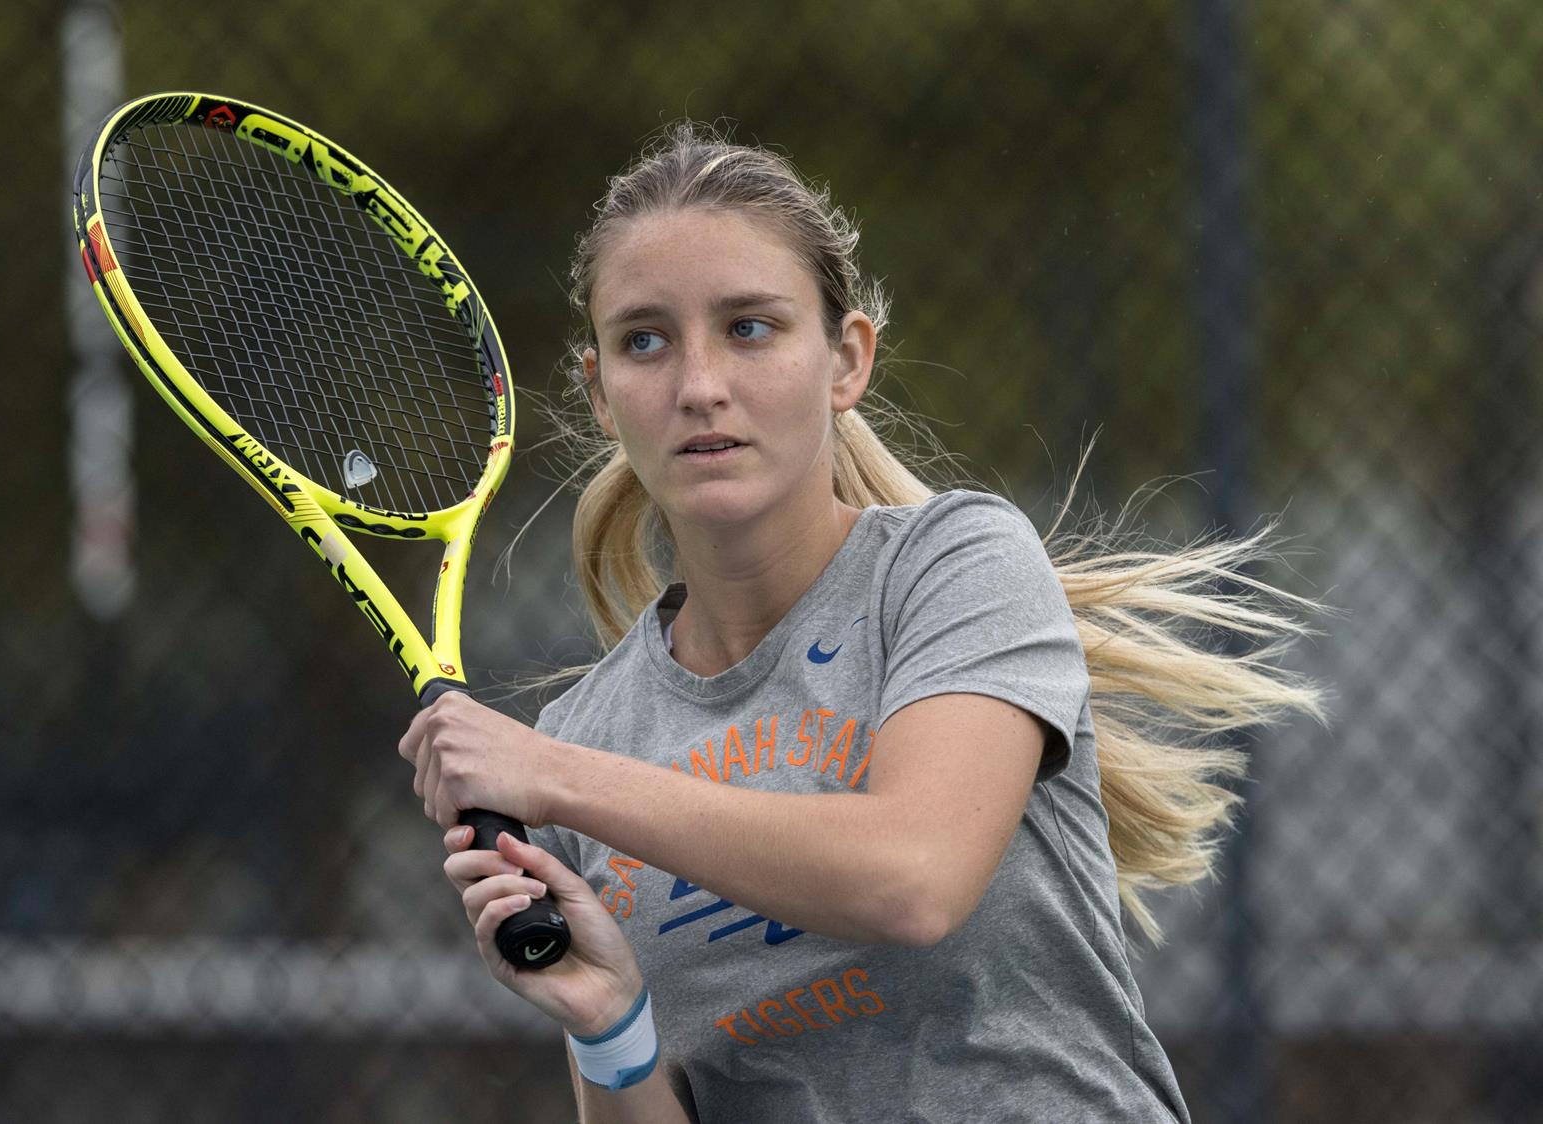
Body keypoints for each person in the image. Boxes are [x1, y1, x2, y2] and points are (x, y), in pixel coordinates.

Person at [397, 123, 1323, 1123]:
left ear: (845, 360)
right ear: (601, 392)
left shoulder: (955, 568)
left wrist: (556, 780)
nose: (698, 384)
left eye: (748, 326)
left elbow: (910, 877)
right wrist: (609, 1026)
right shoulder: (586, 737)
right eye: (644, 339)